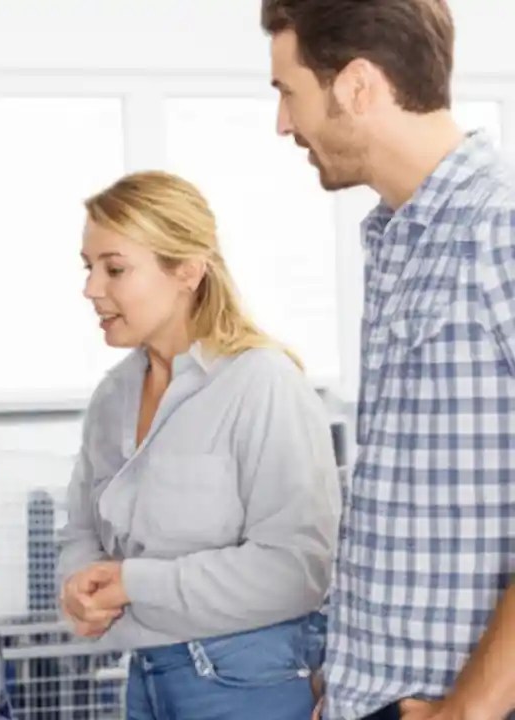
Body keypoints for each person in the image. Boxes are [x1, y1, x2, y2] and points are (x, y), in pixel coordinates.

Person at [263, 1, 515, 718]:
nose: (284, 124)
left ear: (358, 85)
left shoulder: (500, 230)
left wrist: (464, 713)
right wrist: (343, 682)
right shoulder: (394, 238)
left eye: (289, 92)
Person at [56, 170, 342, 720]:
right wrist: (79, 584)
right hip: (144, 678)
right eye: (88, 268)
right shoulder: (113, 396)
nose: (91, 288)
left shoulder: (263, 383)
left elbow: (299, 570)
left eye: (114, 269)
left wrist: (133, 583)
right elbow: (82, 531)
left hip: (248, 681)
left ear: (187, 269)